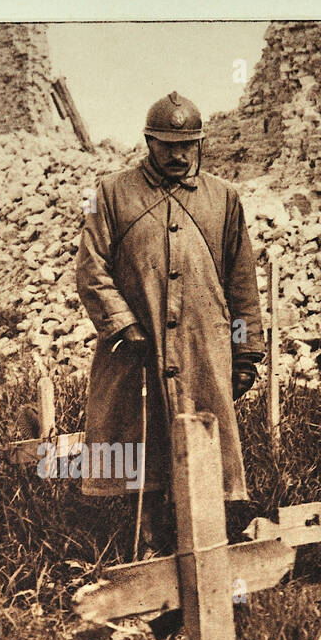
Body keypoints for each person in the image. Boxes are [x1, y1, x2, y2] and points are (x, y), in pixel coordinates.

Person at [76, 91, 265, 553]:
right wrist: (125, 327)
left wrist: (244, 353)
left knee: (205, 446)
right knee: (140, 446)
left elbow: (241, 282)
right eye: (167, 145)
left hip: (203, 347)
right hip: (134, 354)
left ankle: (204, 549)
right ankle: (143, 548)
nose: (178, 155)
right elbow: (91, 269)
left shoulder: (224, 198)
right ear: (148, 142)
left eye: (188, 145)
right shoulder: (110, 193)